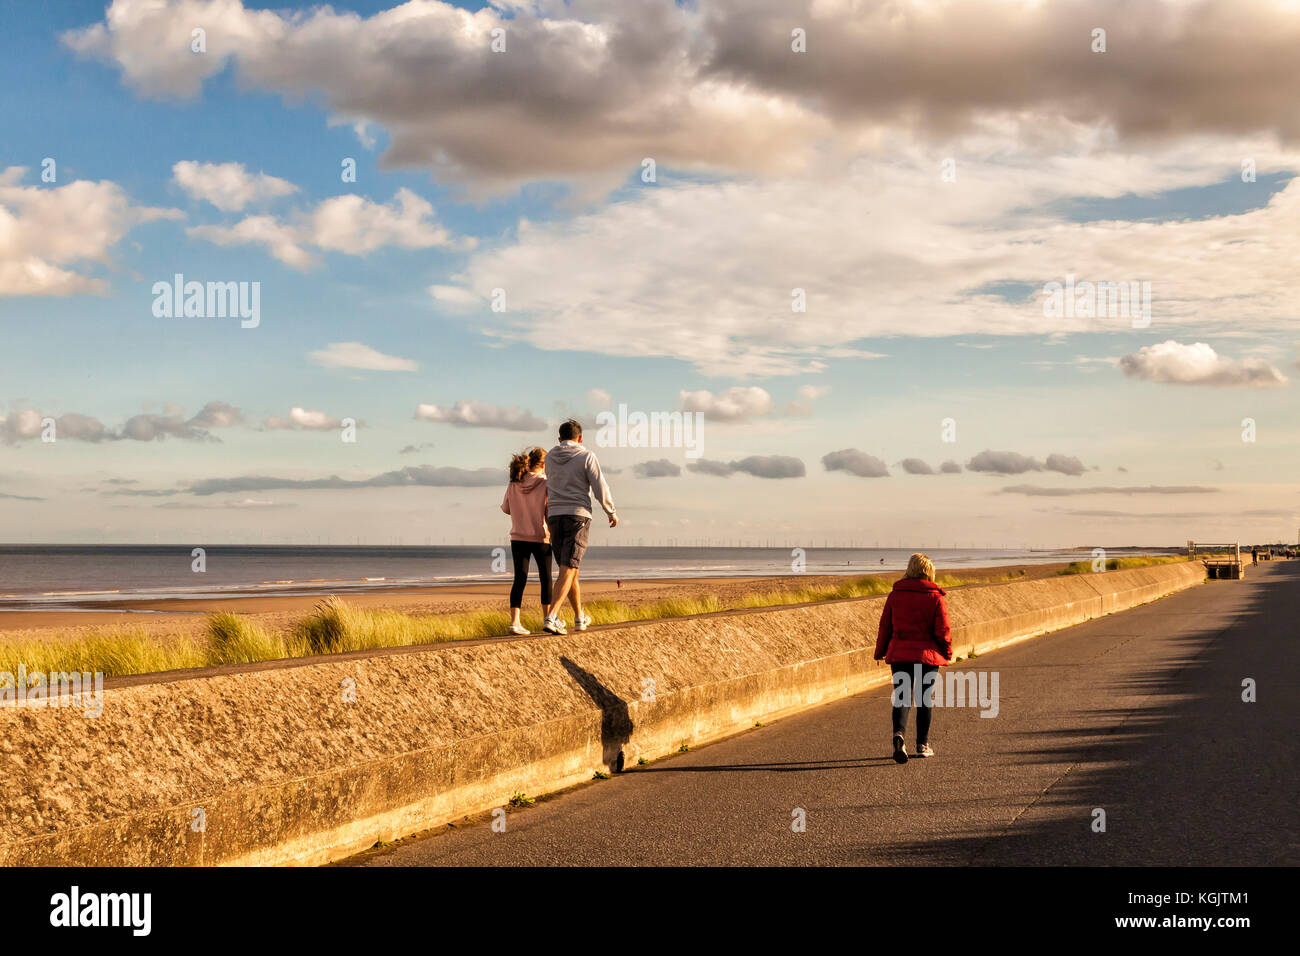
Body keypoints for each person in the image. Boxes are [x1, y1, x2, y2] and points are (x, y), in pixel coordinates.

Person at [873, 552, 952, 763]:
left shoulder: (895, 595)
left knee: (902, 697)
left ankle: (899, 735)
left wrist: (880, 651)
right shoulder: (935, 597)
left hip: (900, 653)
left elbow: (885, 627)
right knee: (924, 699)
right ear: (929, 572)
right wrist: (947, 653)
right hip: (927, 655)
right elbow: (943, 630)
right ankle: (922, 744)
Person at [541, 419, 617, 635]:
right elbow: (599, 486)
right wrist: (610, 511)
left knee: (569, 569)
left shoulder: (549, 457)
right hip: (578, 515)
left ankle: (578, 617)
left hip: (554, 516)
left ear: (559, 439)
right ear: (580, 438)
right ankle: (552, 616)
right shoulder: (586, 456)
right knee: (569, 568)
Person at [500, 447, 551, 635]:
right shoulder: (545, 483)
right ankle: (548, 619)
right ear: (544, 465)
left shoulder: (514, 482)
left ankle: (515, 622)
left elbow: (506, 508)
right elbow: (549, 511)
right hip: (540, 536)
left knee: (519, 578)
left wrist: (521, 508)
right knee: (545, 578)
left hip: (518, 536)